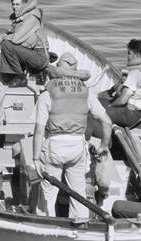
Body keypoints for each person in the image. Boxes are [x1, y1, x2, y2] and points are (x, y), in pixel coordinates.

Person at [29, 51, 93, 220]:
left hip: (55, 146)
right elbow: (106, 120)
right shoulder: (86, 92)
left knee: (48, 192)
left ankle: (45, 222)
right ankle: (81, 224)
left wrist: (35, 158)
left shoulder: (47, 94)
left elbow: (39, 130)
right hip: (78, 145)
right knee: (78, 192)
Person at [93, 37, 141, 149]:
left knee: (97, 112)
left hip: (130, 112)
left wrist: (110, 106)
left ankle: (106, 145)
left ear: (137, 56)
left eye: (129, 53)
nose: (127, 56)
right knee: (99, 102)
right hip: (140, 110)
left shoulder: (136, 72)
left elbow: (123, 99)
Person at [0, 0, 50, 83]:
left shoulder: (32, 17)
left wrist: (0, 38)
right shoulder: (21, 17)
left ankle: (20, 78)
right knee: (7, 44)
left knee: (6, 44)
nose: (14, 7)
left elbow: (15, 39)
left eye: (17, 4)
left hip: (40, 57)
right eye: (13, 4)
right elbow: (10, 32)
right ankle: (10, 76)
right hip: (30, 54)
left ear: (25, 5)